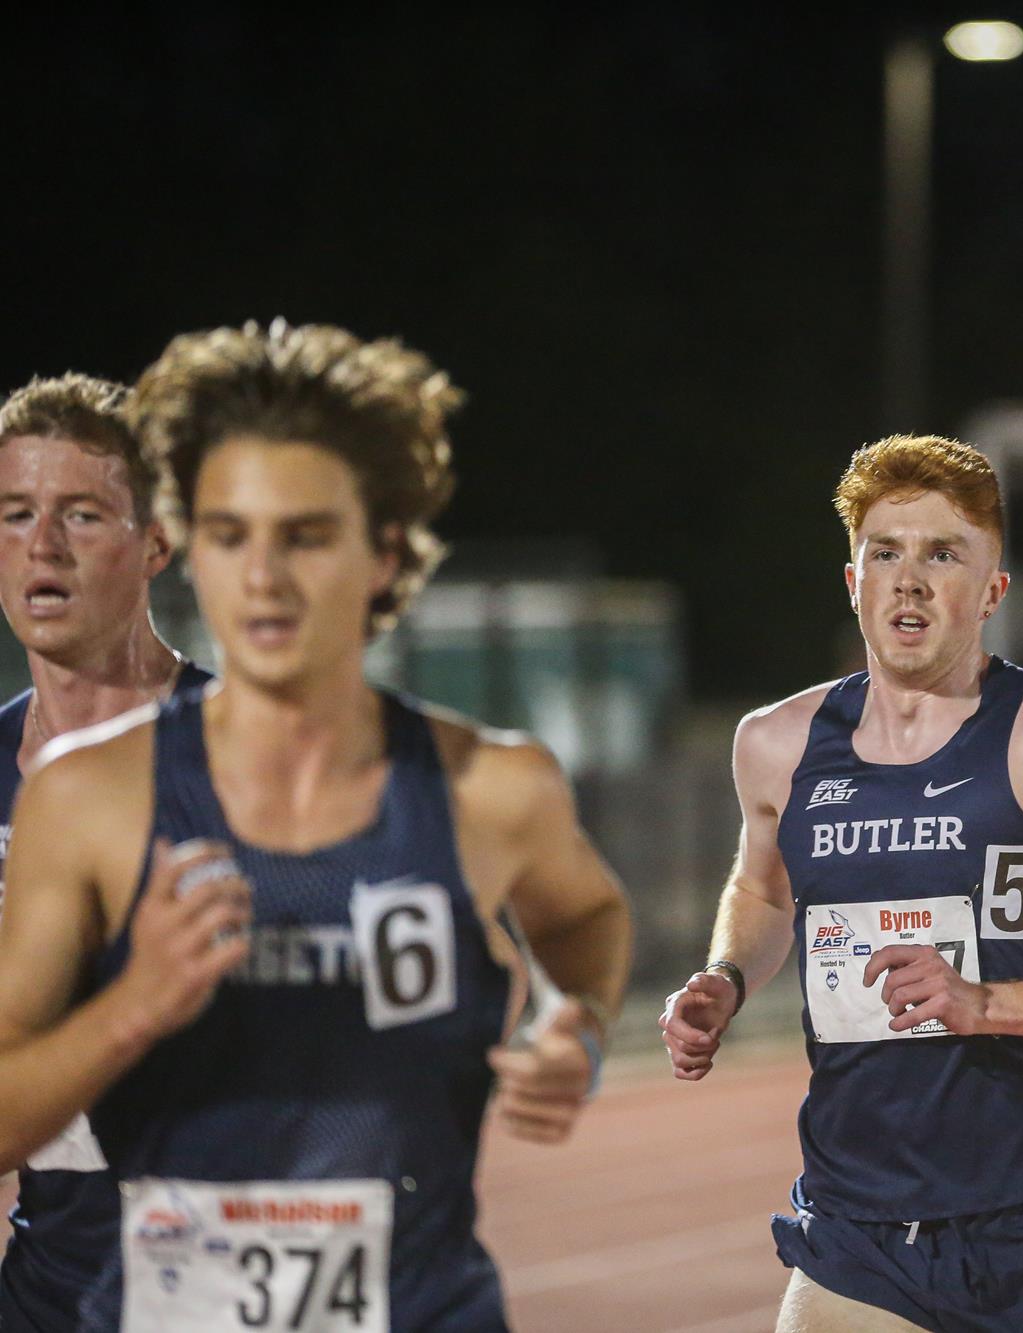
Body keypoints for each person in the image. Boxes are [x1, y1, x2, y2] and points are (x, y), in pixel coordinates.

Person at [0, 321, 633, 1329]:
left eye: (304, 536)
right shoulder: (84, 801)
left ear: (385, 554)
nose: (263, 576)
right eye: (229, 535)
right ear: (189, 549)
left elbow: (585, 914)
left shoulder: (491, 789)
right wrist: (132, 1006)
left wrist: (577, 1025)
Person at [661, 434, 1023, 1331]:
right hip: (858, 1218)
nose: (909, 580)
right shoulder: (776, 744)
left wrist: (982, 1002)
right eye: (886, 553)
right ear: (854, 583)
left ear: (992, 591)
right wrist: (724, 976)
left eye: (943, 554)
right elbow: (763, 894)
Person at [0, 373, 213, 1330]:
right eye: (15, 513)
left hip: (240, 1287)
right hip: (50, 1289)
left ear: (156, 543)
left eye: (81, 515)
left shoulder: (258, 752)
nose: (41, 545)